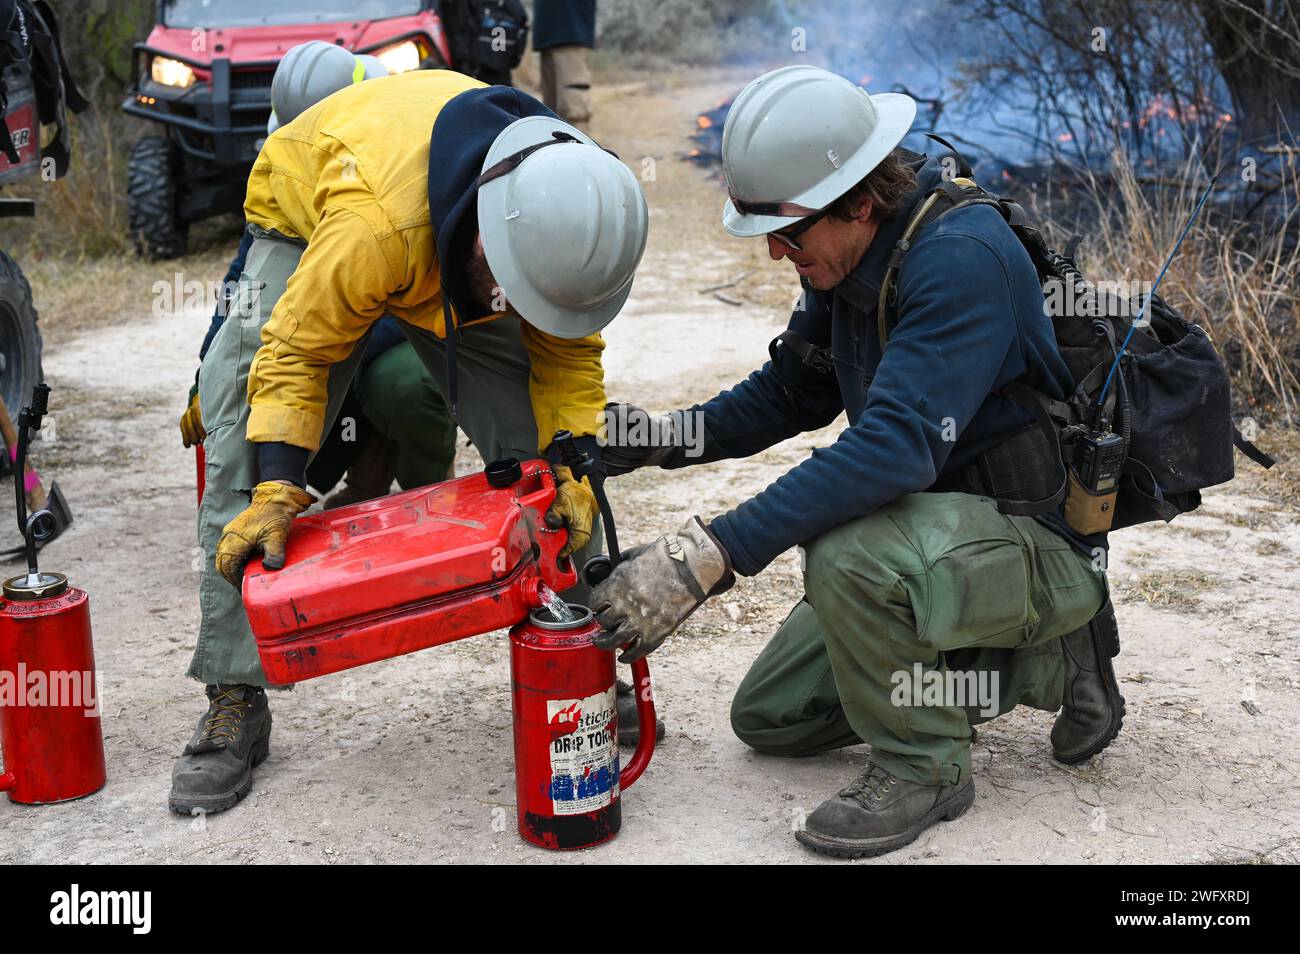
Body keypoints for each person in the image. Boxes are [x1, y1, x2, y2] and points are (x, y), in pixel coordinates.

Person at [590, 65, 1124, 859]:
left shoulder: (960, 261)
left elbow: (892, 450)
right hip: (936, 541)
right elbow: (790, 394)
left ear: (858, 203)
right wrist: (665, 438)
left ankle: (929, 764)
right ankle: (1023, 666)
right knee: (771, 716)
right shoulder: (854, 256)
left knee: (843, 554)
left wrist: (708, 555)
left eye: (787, 232)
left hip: (1028, 537)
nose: (774, 252)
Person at [169, 67, 649, 816]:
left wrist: (566, 458)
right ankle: (235, 694)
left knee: (554, 472)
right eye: (516, 291)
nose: (526, 309)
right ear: (489, 235)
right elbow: (297, 352)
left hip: (445, 239)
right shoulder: (373, 227)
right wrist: (275, 485)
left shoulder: (570, 207)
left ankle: (574, 654)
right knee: (242, 444)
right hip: (310, 224)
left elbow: (568, 356)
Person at [179, 42, 459, 504]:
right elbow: (245, 281)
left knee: (405, 389)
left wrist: (328, 338)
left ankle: (429, 493)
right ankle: (358, 473)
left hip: (400, 334)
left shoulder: (405, 159)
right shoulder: (290, 170)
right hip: (328, 329)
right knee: (276, 376)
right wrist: (209, 369)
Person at [533, 0, 596, 129]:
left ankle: (580, 149)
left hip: (572, 34)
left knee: (574, 110)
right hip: (545, 37)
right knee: (549, 116)